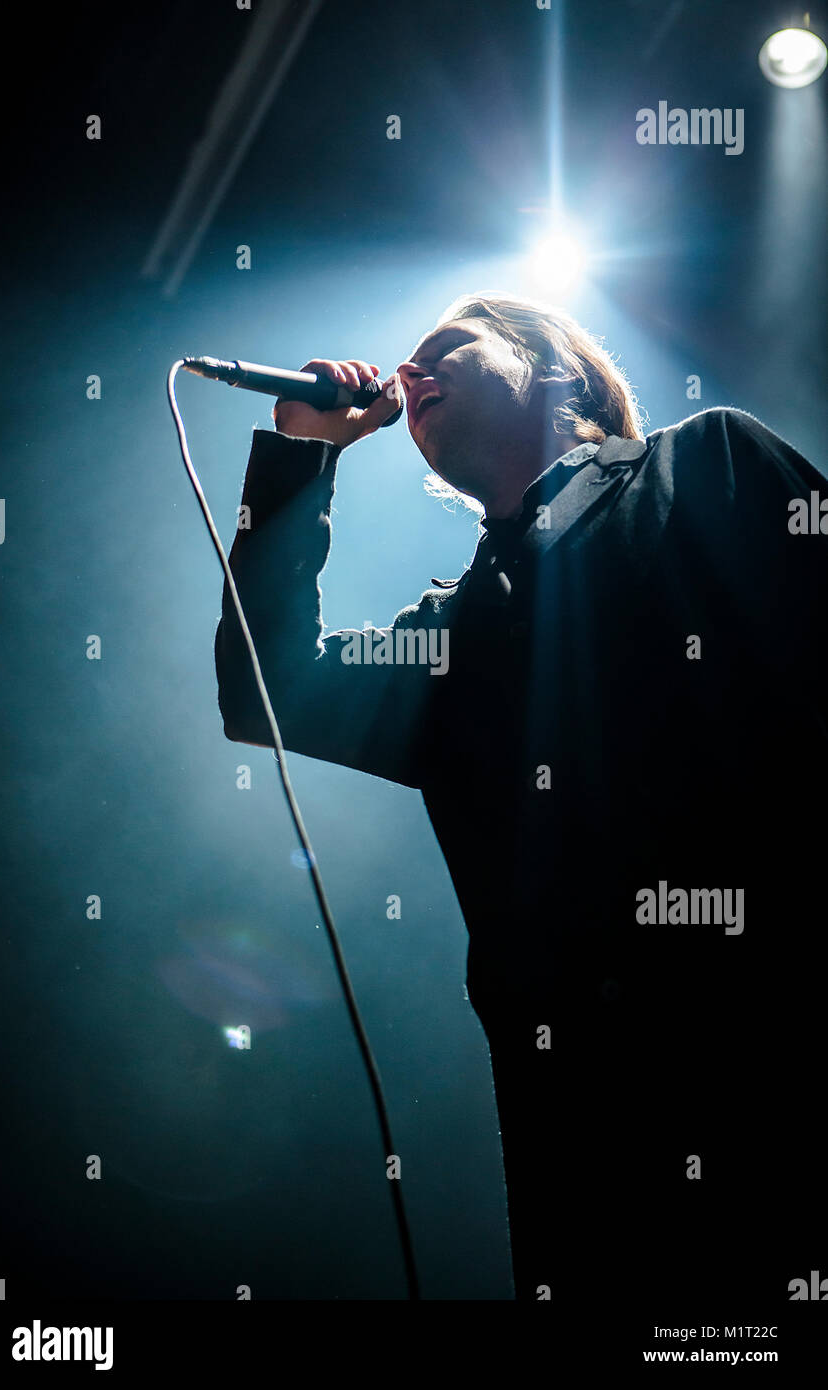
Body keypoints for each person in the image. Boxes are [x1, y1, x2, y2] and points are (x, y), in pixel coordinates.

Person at [215, 294, 827, 1305]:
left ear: (554, 370)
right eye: (402, 371)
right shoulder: (450, 640)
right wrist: (305, 456)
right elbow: (267, 690)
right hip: (588, 1157)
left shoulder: (706, 468)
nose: (408, 382)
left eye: (444, 347)